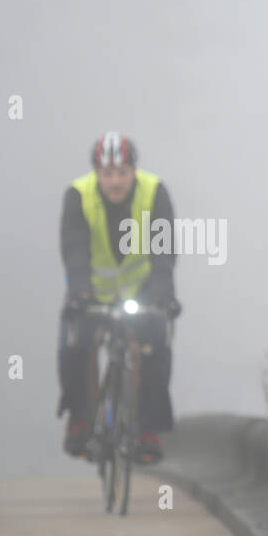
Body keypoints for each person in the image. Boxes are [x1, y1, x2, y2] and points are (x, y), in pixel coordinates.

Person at [58, 132, 179, 463]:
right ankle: (80, 421)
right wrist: (80, 292)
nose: (115, 182)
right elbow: (75, 250)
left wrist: (161, 294)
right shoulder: (78, 196)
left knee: (157, 343)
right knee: (75, 345)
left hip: (141, 292)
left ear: (134, 171)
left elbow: (163, 253)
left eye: (122, 173)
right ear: (96, 173)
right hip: (91, 294)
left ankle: (148, 431)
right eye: (108, 173)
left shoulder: (154, 193)